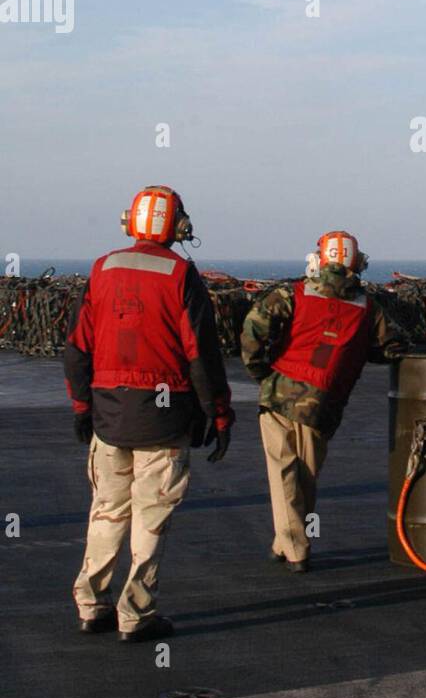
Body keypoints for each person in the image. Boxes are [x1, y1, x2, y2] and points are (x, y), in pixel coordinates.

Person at [64, 186, 233, 642]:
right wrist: (218, 415)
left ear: (130, 222)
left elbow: (77, 348)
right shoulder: (181, 274)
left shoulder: (102, 269)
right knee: (150, 517)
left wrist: (83, 407)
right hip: (164, 420)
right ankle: (136, 614)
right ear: (178, 226)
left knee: (106, 511)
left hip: (109, 417)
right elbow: (201, 355)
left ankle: (90, 604)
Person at [241, 230, 407, 572]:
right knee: (306, 475)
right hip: (326, 404)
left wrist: (262, 375)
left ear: (319, 261)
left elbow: (253, 330)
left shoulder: (293, 294)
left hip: (280, 395)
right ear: (357, 264)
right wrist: (356, 353)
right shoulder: (369, 309)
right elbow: (395, 347)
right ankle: (284, 540)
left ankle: (297, 550)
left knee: (283, 471)